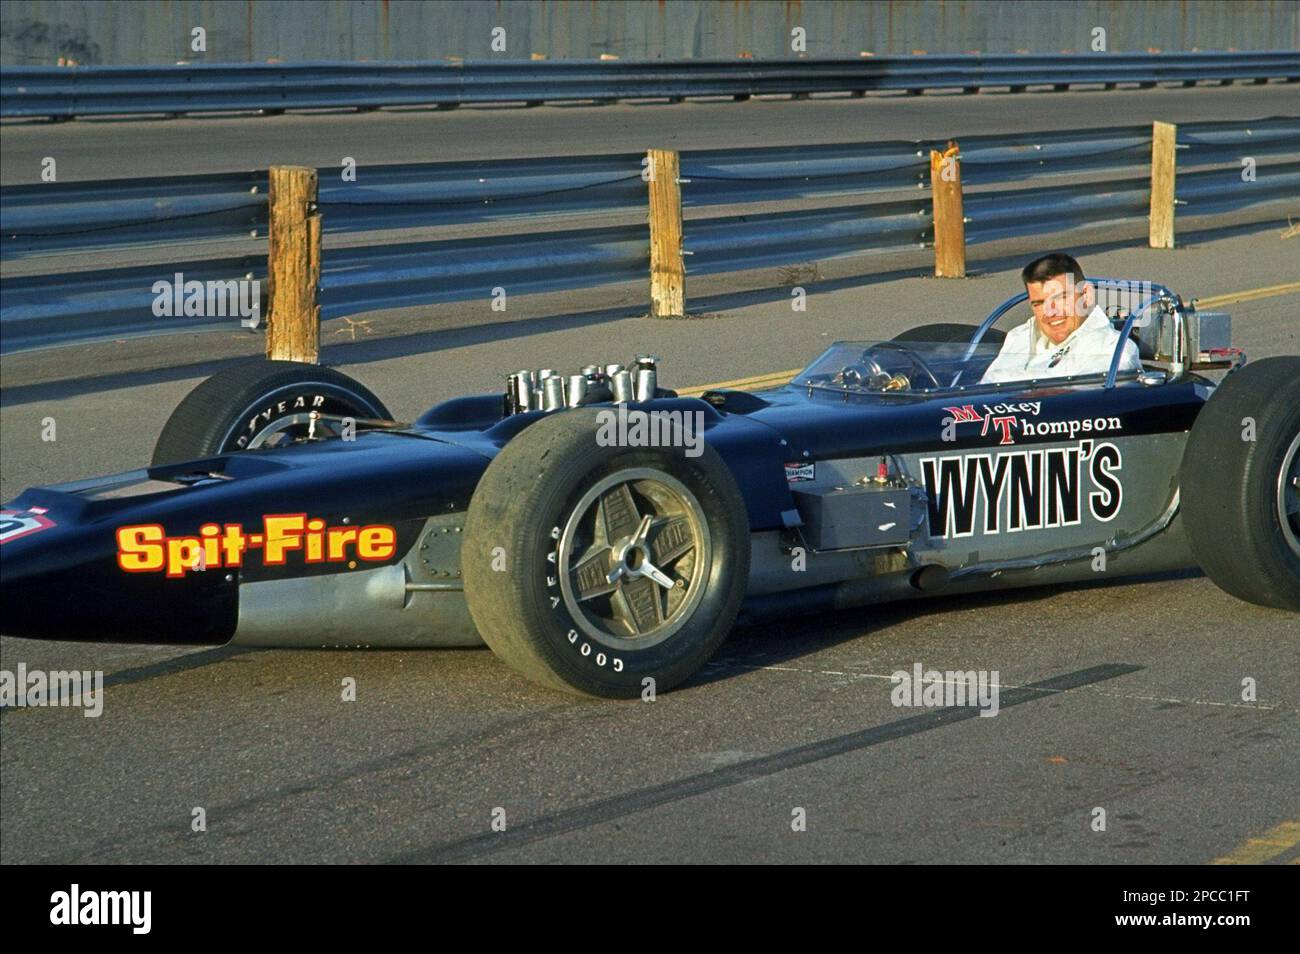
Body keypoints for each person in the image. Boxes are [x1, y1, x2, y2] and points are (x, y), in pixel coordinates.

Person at [981, 252, 1142, 384]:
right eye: (1039, 303)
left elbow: (1074, 397)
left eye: (1060, 298)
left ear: (1086, 295)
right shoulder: (1019, 337)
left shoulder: (1115, 349)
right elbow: (986, 389)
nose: (1050, 312)